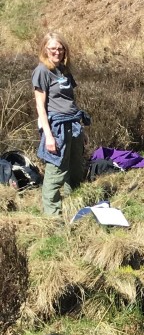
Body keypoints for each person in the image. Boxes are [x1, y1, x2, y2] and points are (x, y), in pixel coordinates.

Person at [32, 32, 87, 217]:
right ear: (45, 50)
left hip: (73, 124)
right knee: (56, 172)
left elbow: (70, 99)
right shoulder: (41, 71)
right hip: (57, 128)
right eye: (53, 48)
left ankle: (75, 207)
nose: (57, 52)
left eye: (60, 48)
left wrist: (79, 125)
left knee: (75, 169)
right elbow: (40, 106)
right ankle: (52, 217)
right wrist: (48, 136)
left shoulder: (64, 70)